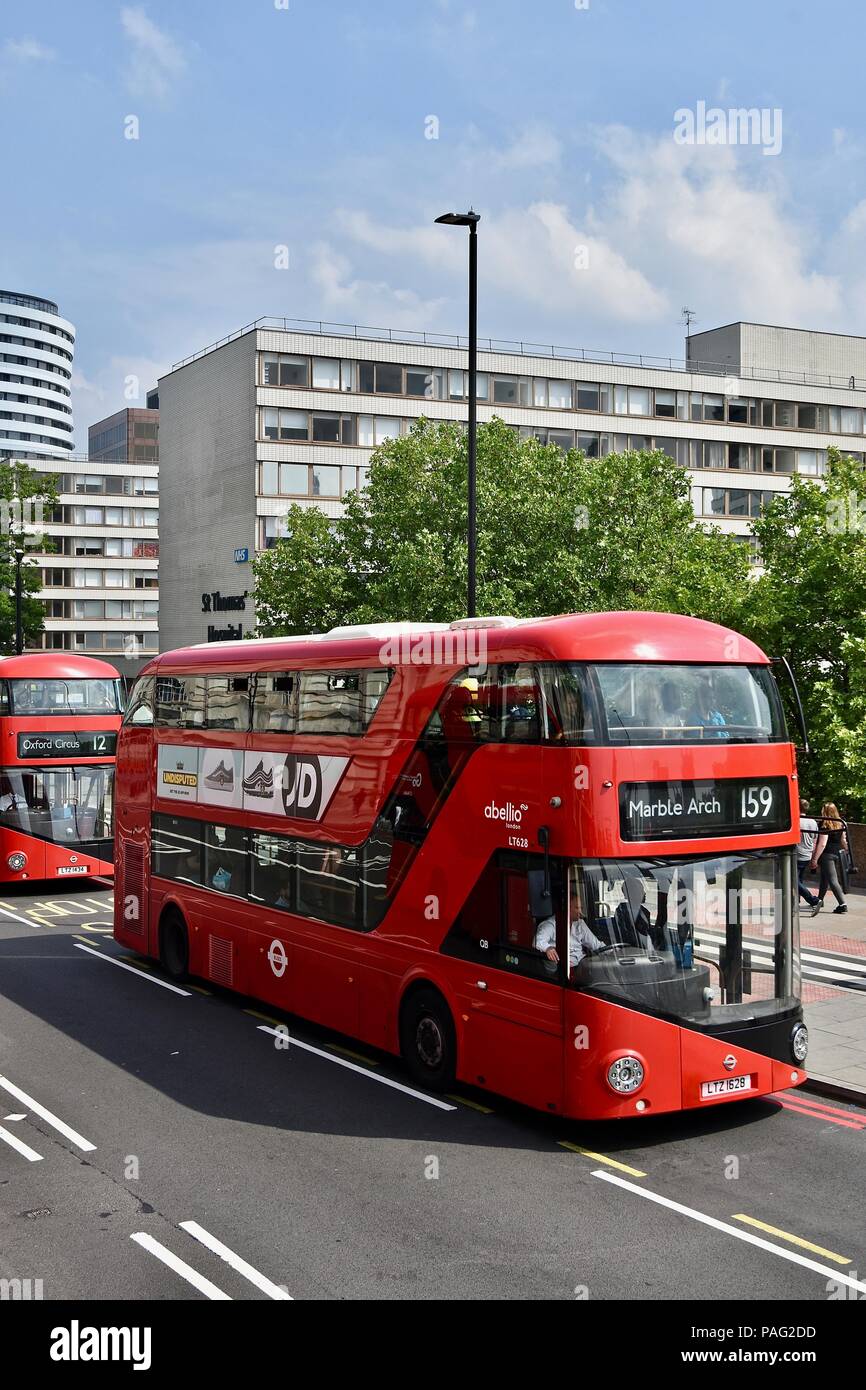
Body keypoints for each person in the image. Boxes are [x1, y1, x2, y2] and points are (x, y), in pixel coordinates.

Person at [534, 879, 606, 974]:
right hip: (562, 971)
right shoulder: (550, 925)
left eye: (581, 908)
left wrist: (612, 951)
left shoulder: (580, 923)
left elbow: (596, 945)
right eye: (577, 908)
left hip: (581, 966)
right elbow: (538, 941)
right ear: (567, 907)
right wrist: (548, 948)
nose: (580, 912)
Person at [813, 802, 849, 914]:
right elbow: (843, 840)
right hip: (837, 853)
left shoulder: (825, 824)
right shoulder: (840, 823)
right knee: (824, 878)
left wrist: (815, 859)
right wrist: (847, 851)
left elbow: (822, 844)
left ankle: (842, 904)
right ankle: (820, 900)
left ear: (825, 812)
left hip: (827, 855)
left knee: (833, 880)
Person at [796, 799, 822, 916]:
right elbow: (815, 839)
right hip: (807, 855)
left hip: (796, 854)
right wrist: (813, 856)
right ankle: (795, 901)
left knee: (792, 880)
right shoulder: (812, 822)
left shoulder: (796, 820)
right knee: (799, 880)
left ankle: (814, 901)